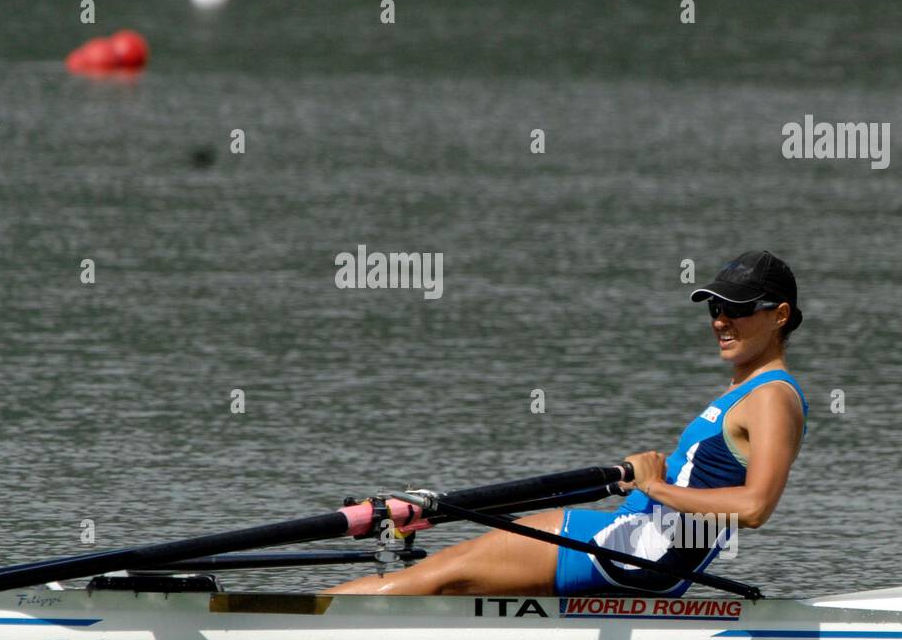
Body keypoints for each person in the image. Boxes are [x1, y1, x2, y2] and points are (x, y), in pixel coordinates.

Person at [323, 250, 807, 597]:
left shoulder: (771, 399)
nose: (721, 320)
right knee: (453, 571)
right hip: (627, 533)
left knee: (437, 577)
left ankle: (302, 619)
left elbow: (755, 506)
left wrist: (657, 486)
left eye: (738, 309)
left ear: (779, 315)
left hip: (642, 557)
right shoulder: (744, 389)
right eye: (715, 307)